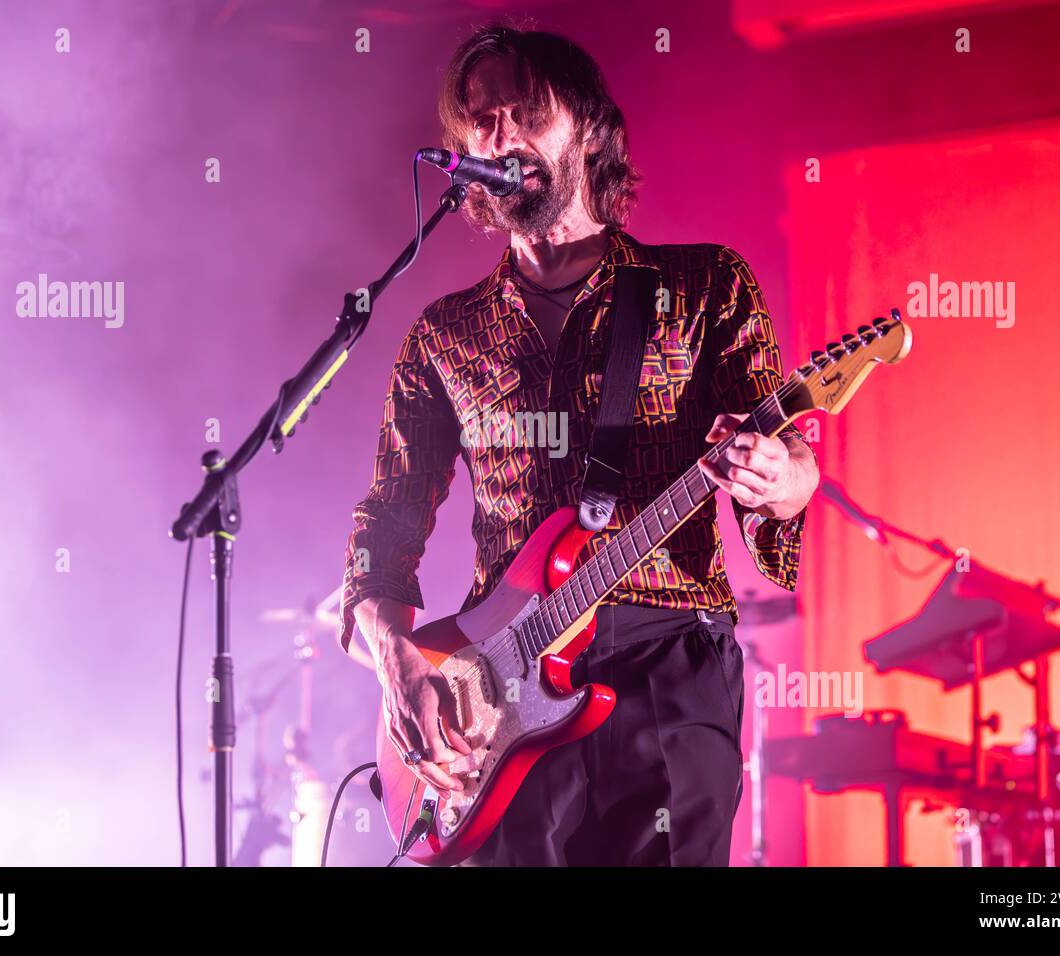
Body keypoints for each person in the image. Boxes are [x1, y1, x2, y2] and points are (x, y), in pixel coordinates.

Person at [338, 24, 819, 866]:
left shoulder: (705, 287)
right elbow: (383, 536)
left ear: (589, 128)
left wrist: (780, 477)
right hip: (504, 695)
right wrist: (399, 663)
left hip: (666, 662)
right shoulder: (443, 337)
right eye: (480, 120)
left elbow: (790, 476)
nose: (498, 136)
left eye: (524, 110)